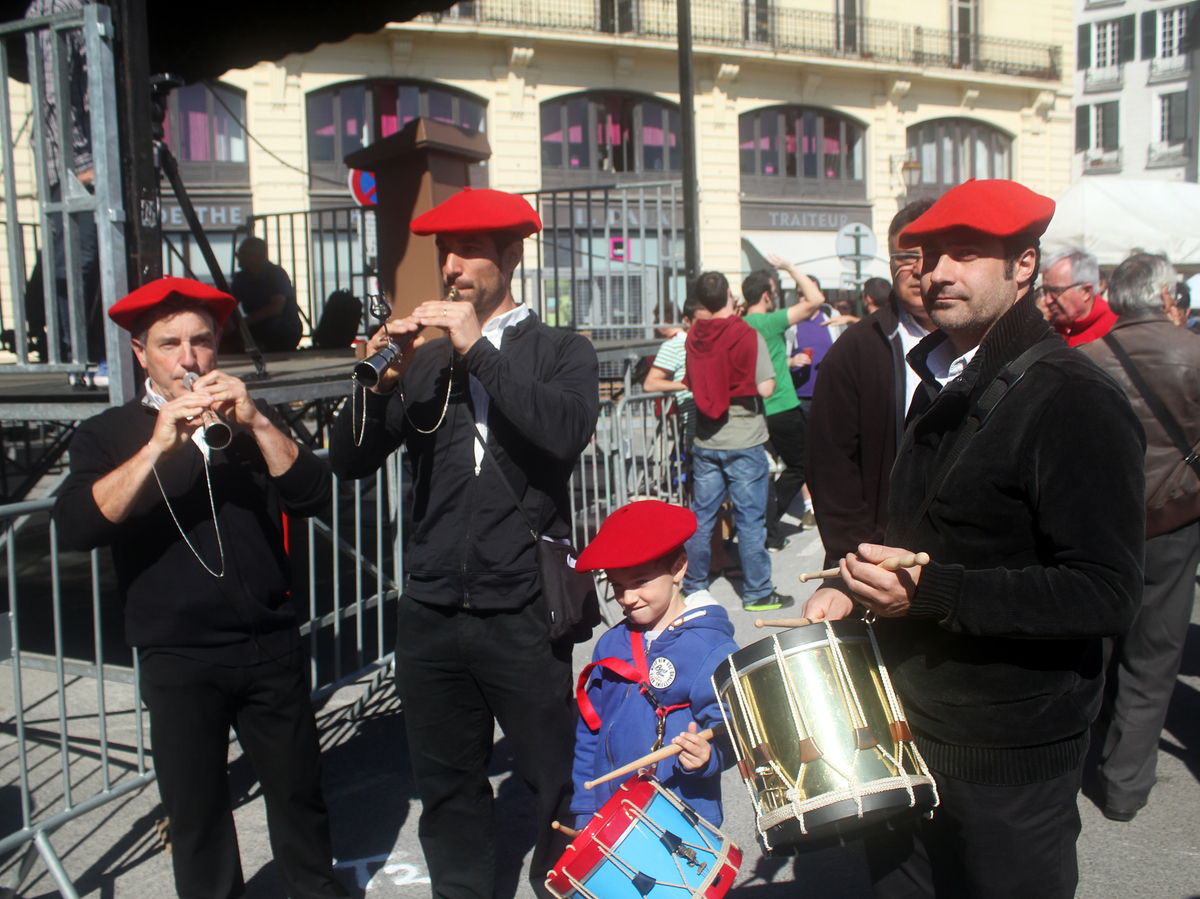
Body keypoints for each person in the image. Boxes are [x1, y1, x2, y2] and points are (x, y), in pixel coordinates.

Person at [802, 179, 1145, 898]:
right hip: (909, 728)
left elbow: (1104, 592)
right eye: (927, 255)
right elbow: (931, 533)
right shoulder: (942, 378)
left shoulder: (1073, 397)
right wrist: (855, 584)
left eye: (964, 253)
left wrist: (929, 594)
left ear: (1025, 265)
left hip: (1010, 757)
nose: (937, 273)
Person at [328, 188, 599, 899]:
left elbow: (564, 431)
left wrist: (476, 346)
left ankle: (559, 877)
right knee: (446, 783)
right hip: (433, 606)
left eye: (471, 249)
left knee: (548, 773)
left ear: (512, 255)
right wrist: (373, 382)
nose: (451, 266)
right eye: (444, 251)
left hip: (520, 603)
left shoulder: (561, 349)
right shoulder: (422, 361)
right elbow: (349, 459)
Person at [52, 277, 348, 899]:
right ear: (140, 353)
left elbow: (316, 495)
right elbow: (77, 526)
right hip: (179, 655)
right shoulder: (107, 434)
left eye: (202, 342)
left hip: (269, 645)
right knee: (198, 816)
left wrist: (256, 422)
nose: (189, 359)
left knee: (299, 798)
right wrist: (159, 445)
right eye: (170, 344)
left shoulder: (251, 416)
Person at [1080, 254, 1200, 822]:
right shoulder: (1193, 353)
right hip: (1175, 520)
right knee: (1154, 655)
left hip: (1103, 523)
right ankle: (1124, 786)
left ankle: (1084, 757)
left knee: (1096, 645)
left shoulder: (1087, 360)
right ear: (1164, 293)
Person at [571, 500, 740, 826]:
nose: (627, 598)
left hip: (682, 816)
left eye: (640, 583)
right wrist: (583, 810)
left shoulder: (708, 646)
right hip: (612, 813)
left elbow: (734, 727)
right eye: (617, 586)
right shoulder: (609, 643)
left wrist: (710, 756)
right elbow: (590, 731)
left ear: (678, 567)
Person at [805, 199, 935, 569]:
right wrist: (864, 554)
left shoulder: (982, 340)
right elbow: (829, 462)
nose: (918, 269)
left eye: (932, 254)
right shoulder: (858, 348)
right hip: (882, 559)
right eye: (905, 257)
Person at [680, 271, 791, 612]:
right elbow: (766, 387)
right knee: (750, 520)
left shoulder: (693, 335)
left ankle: (693, 584)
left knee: (702, 517)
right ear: (730, 294)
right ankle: (758, 592)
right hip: (744, 439)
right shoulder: (746, 333)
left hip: (707, 440)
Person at [742, 268, 821, 551]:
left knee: (767, 474)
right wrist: (790, 266)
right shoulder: (769, 321)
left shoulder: (740, 323)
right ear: (766, 294)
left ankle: (770, 535)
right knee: (802, 465)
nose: (776, 297)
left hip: (757, 409)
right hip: (782, 407)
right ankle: (769, 523)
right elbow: (815, 299)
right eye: (775, 292)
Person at [229, 236, 304, 352]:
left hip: (283, 327)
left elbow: (275, 308)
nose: (237, 257)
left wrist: (242, 323)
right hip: (256, 326)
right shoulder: (241, 278)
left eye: (241, 253)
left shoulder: (277, 274)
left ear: (254, 256)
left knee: (275, 326)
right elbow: (230, 304)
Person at [1041, 246, 1116, 346]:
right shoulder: (1051, 332)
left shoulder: (1115, 330)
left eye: (1056, 291)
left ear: (1086, 292)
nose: (1048, 300)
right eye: (1045, 291)